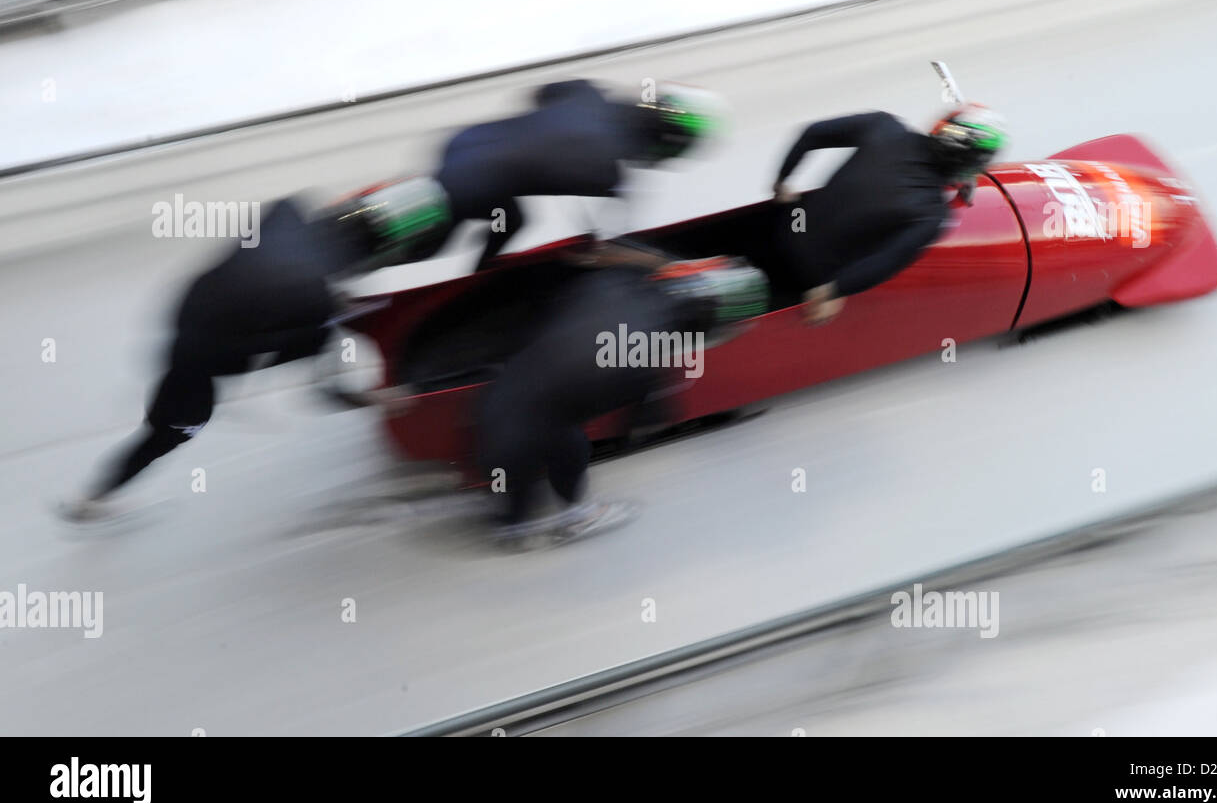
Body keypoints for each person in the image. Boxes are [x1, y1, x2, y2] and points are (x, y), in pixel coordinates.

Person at [59, 180, 453, 521]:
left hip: (189, 310)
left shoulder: (286, 211)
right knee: (171, 431)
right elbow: (322, 392)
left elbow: (274, 271)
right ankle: (91, 500)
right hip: (199, 360)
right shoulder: (317, 305)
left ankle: (97, 494)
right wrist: (376, 397)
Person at [476, 254, 767, 549]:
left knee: (543, 406)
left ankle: (511, 518)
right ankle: (574, 515)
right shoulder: (646, 357)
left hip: (492, 411)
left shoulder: (612, 280)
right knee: (561, 428)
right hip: (523, 439)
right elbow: (640, 422)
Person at [431, 79, 721, 270]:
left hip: (461, 142)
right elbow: (606, 250)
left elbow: (538, 93)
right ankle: (478, 276)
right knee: (507, 223)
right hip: (472, 189)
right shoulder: (610, 176)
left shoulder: (586, 91)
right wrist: (659, 263)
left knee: (508, 218)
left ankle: (479, 266)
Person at [769, 103, 1007, 325]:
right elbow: (887, 261)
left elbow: (813, 132)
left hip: (784, 228)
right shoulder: (932, 214)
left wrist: (782, 181)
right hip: (806, 277)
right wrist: (834, 291)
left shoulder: (882, 125)